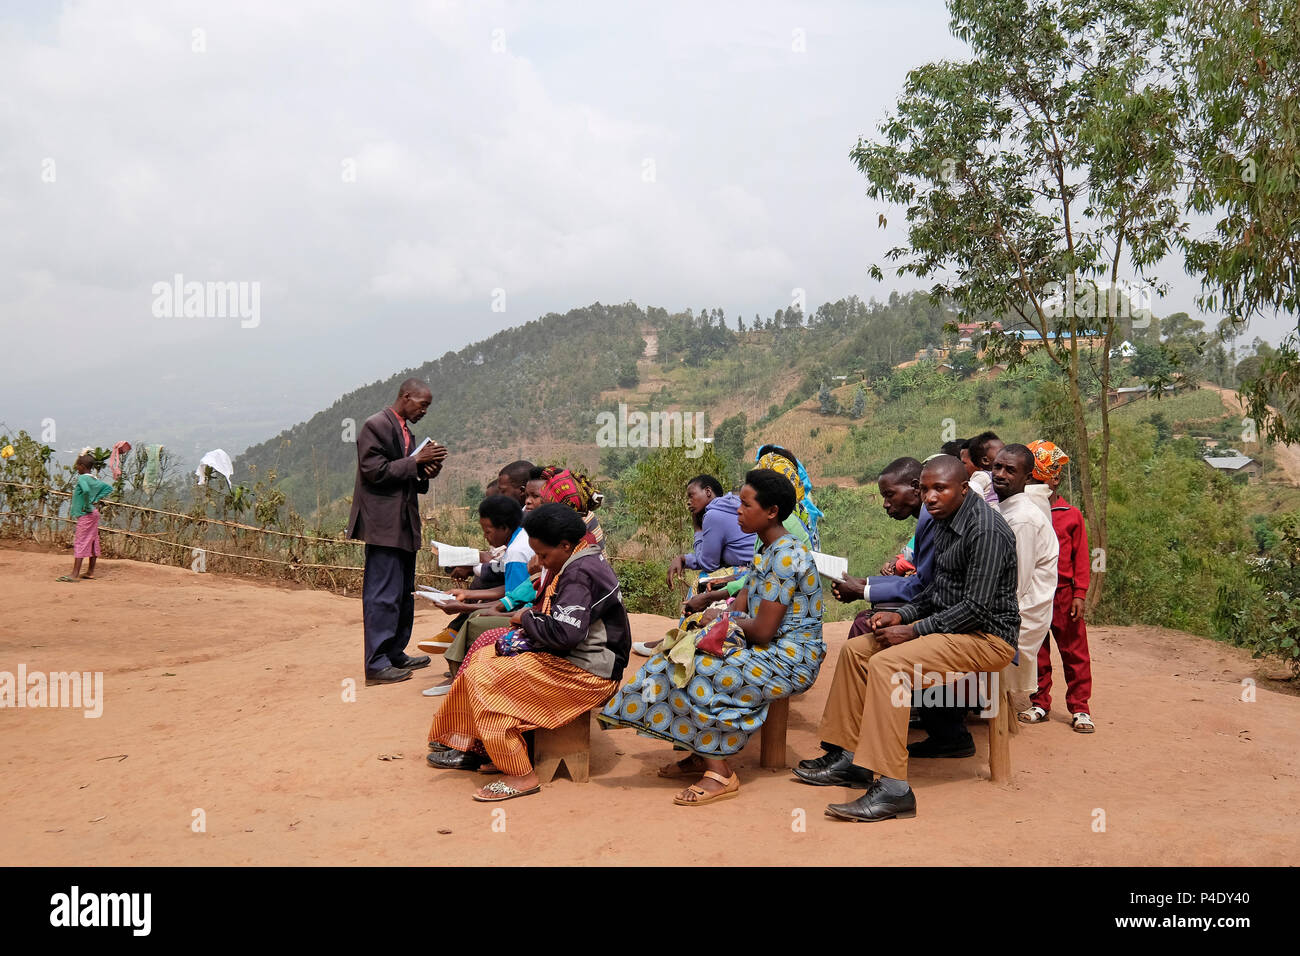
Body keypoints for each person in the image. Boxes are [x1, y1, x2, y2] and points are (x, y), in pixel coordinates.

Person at [793, 454, 1018, 822]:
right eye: (925, 489)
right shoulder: (945, 521)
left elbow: (976, 609)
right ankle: (851, 758)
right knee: (856, 651)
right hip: (952, 627)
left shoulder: (985, 531)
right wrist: (902, 614)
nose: (930, 497)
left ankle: (894, 789)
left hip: (987, 636)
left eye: (940, 489)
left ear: (964, 488)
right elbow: (934, 591)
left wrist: (912, 630)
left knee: (888, 666)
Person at [601, 468, 825, 806]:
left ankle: (720, 772)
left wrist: (722, 619)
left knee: (698, 670)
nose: (738, 511)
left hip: (791, 658)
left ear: (771, 511)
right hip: (767, 646)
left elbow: (764, 629)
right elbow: (744, 599)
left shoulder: (787, 557)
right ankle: (699, 749)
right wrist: (719, 618)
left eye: (746, 505)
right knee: (677, 655)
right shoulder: (766, 548)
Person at [426, 504, 632, 802]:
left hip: (589, 674)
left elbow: (565, 634)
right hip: (582, 660)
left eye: (544, 556)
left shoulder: (578, 573)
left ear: (565, 545)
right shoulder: (582, 558)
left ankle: (520, 773)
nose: (541, 562)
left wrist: (527, 618)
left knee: (485, 679)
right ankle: (483, 744)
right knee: (484, 657)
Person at [906, 444, 1057, 758]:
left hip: (1013, 617)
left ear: (1028, 477)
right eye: (997, 467)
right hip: (993, 607)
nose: (1000, 475)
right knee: (936, 623)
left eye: (1010, 470)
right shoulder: (999, 510)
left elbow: (1014, 586)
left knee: (932, 637)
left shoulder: (1021, 519)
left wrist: (931, 621)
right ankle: (944, 721)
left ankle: (948, 723)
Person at [347, 378, 448, 685]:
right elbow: (373, 472)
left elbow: (405, 475)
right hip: (383, 526)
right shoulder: (375, 425)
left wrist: (425, 471)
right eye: (422, 404)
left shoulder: (405, 430)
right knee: (382, 594)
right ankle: (376, 664)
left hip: (403, 524)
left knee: (402, 593)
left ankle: (393, 652)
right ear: (406, 397)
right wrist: (416, 460)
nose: (424, 411)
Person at [424, 495, 536, 696]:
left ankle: (462, 674)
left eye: (488, 531)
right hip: (524, 606)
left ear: (504, 528)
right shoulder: (519, 541)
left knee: (475, 622)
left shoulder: (517, 553)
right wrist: (468, 594)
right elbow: (515, 590)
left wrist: (464, 606)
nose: (485, 537)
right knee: (476, 614)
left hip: (528, 614)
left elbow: (515, 601)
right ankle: (461, 670)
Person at [1022, 440, 1095, 733]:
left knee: (1075, 652)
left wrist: (1079, 593)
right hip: (1035, 594)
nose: (1053, 478)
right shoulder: (1025, 512)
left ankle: (1080, 708)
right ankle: (1040, 703)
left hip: (1064, 594)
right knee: (1036, 651)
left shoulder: (1070, 514)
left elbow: (1081, 558)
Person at [829, 458, 934, 640]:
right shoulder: (925, 518)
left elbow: (921, 586)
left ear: (915, 487)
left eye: (890, 495)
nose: (885, 504)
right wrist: (865, 582)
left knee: (865, 625)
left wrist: (862, 590)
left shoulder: (930, 519)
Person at [665, 475, 755, 588]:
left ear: (708, 492)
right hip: (758, 564)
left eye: (691, 496)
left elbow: (708, 565)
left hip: (750, 572)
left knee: (701, 582)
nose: (688, 502)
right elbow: (710, 557)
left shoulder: (713, 515)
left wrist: (697, 530)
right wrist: (684, 559)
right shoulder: (732, 503)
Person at [58, 453, 114, 583]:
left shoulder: (82, 478)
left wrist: (88, 504)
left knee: (81, 541)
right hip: (93, 514)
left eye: (77, 465)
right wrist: (95, 499)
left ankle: (74, 574)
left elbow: (86, 490)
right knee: (93, 540)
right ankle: (90, 572)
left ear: (82, 466)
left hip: (86, 514)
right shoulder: (93, 478)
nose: (76, 468)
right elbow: (108, 488)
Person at [964, 431, 1004, 504]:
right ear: (985, 460)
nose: (1006, 454)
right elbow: (969, 495)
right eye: (1001, 452)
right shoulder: (983, 476)